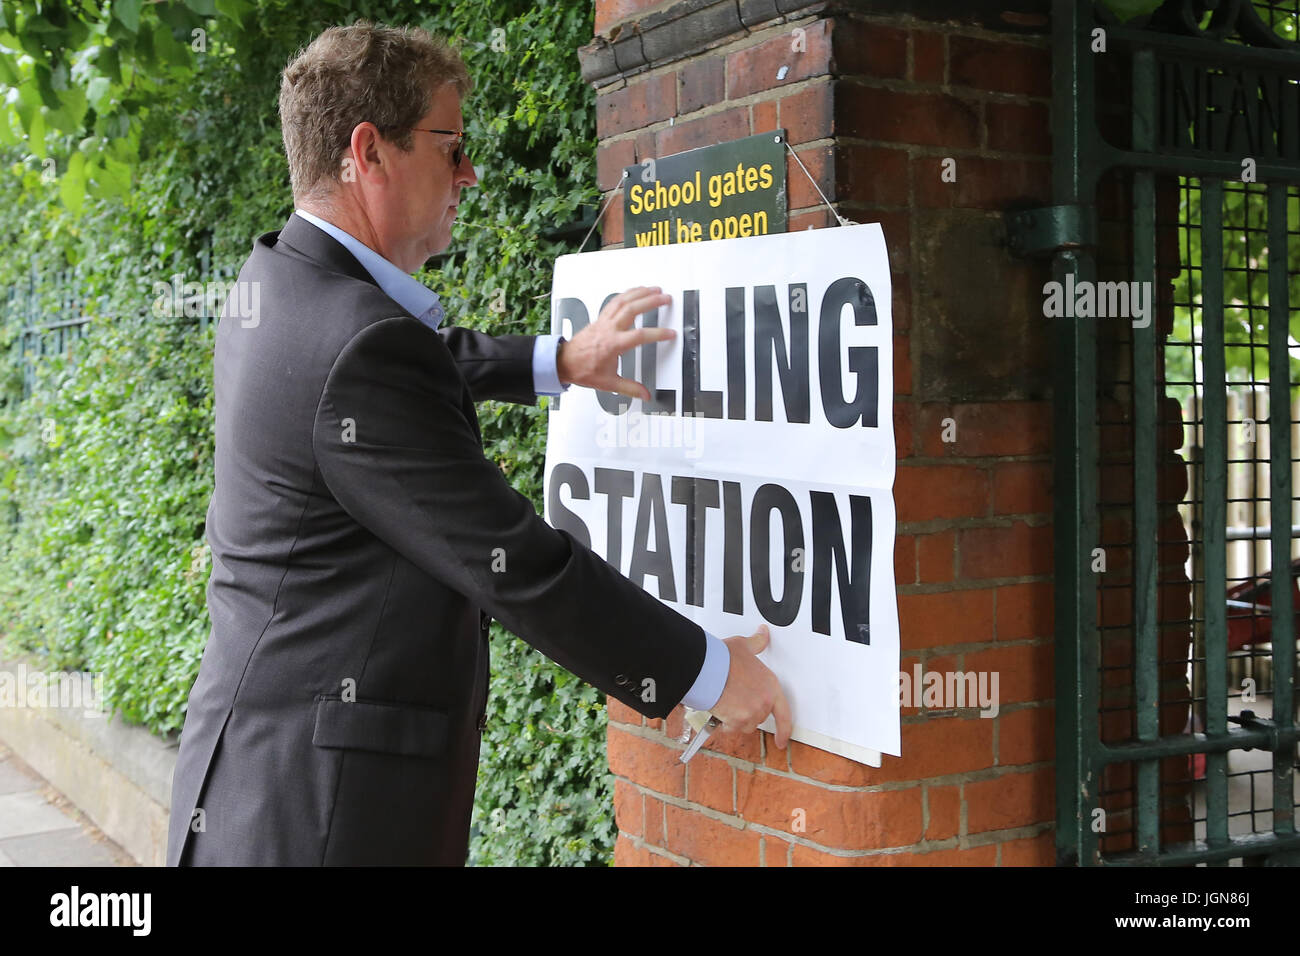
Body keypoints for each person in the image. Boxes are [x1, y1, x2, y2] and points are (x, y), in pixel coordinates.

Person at [165, 20, 790, 866]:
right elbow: (520, 563)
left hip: (252, 779)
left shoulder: (281, 280)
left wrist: (560, 359)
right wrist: (707, 675)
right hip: (322, 818)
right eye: (449, 145)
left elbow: (395, 368)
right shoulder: (357, 346)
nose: (469, 173)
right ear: (369, 152)